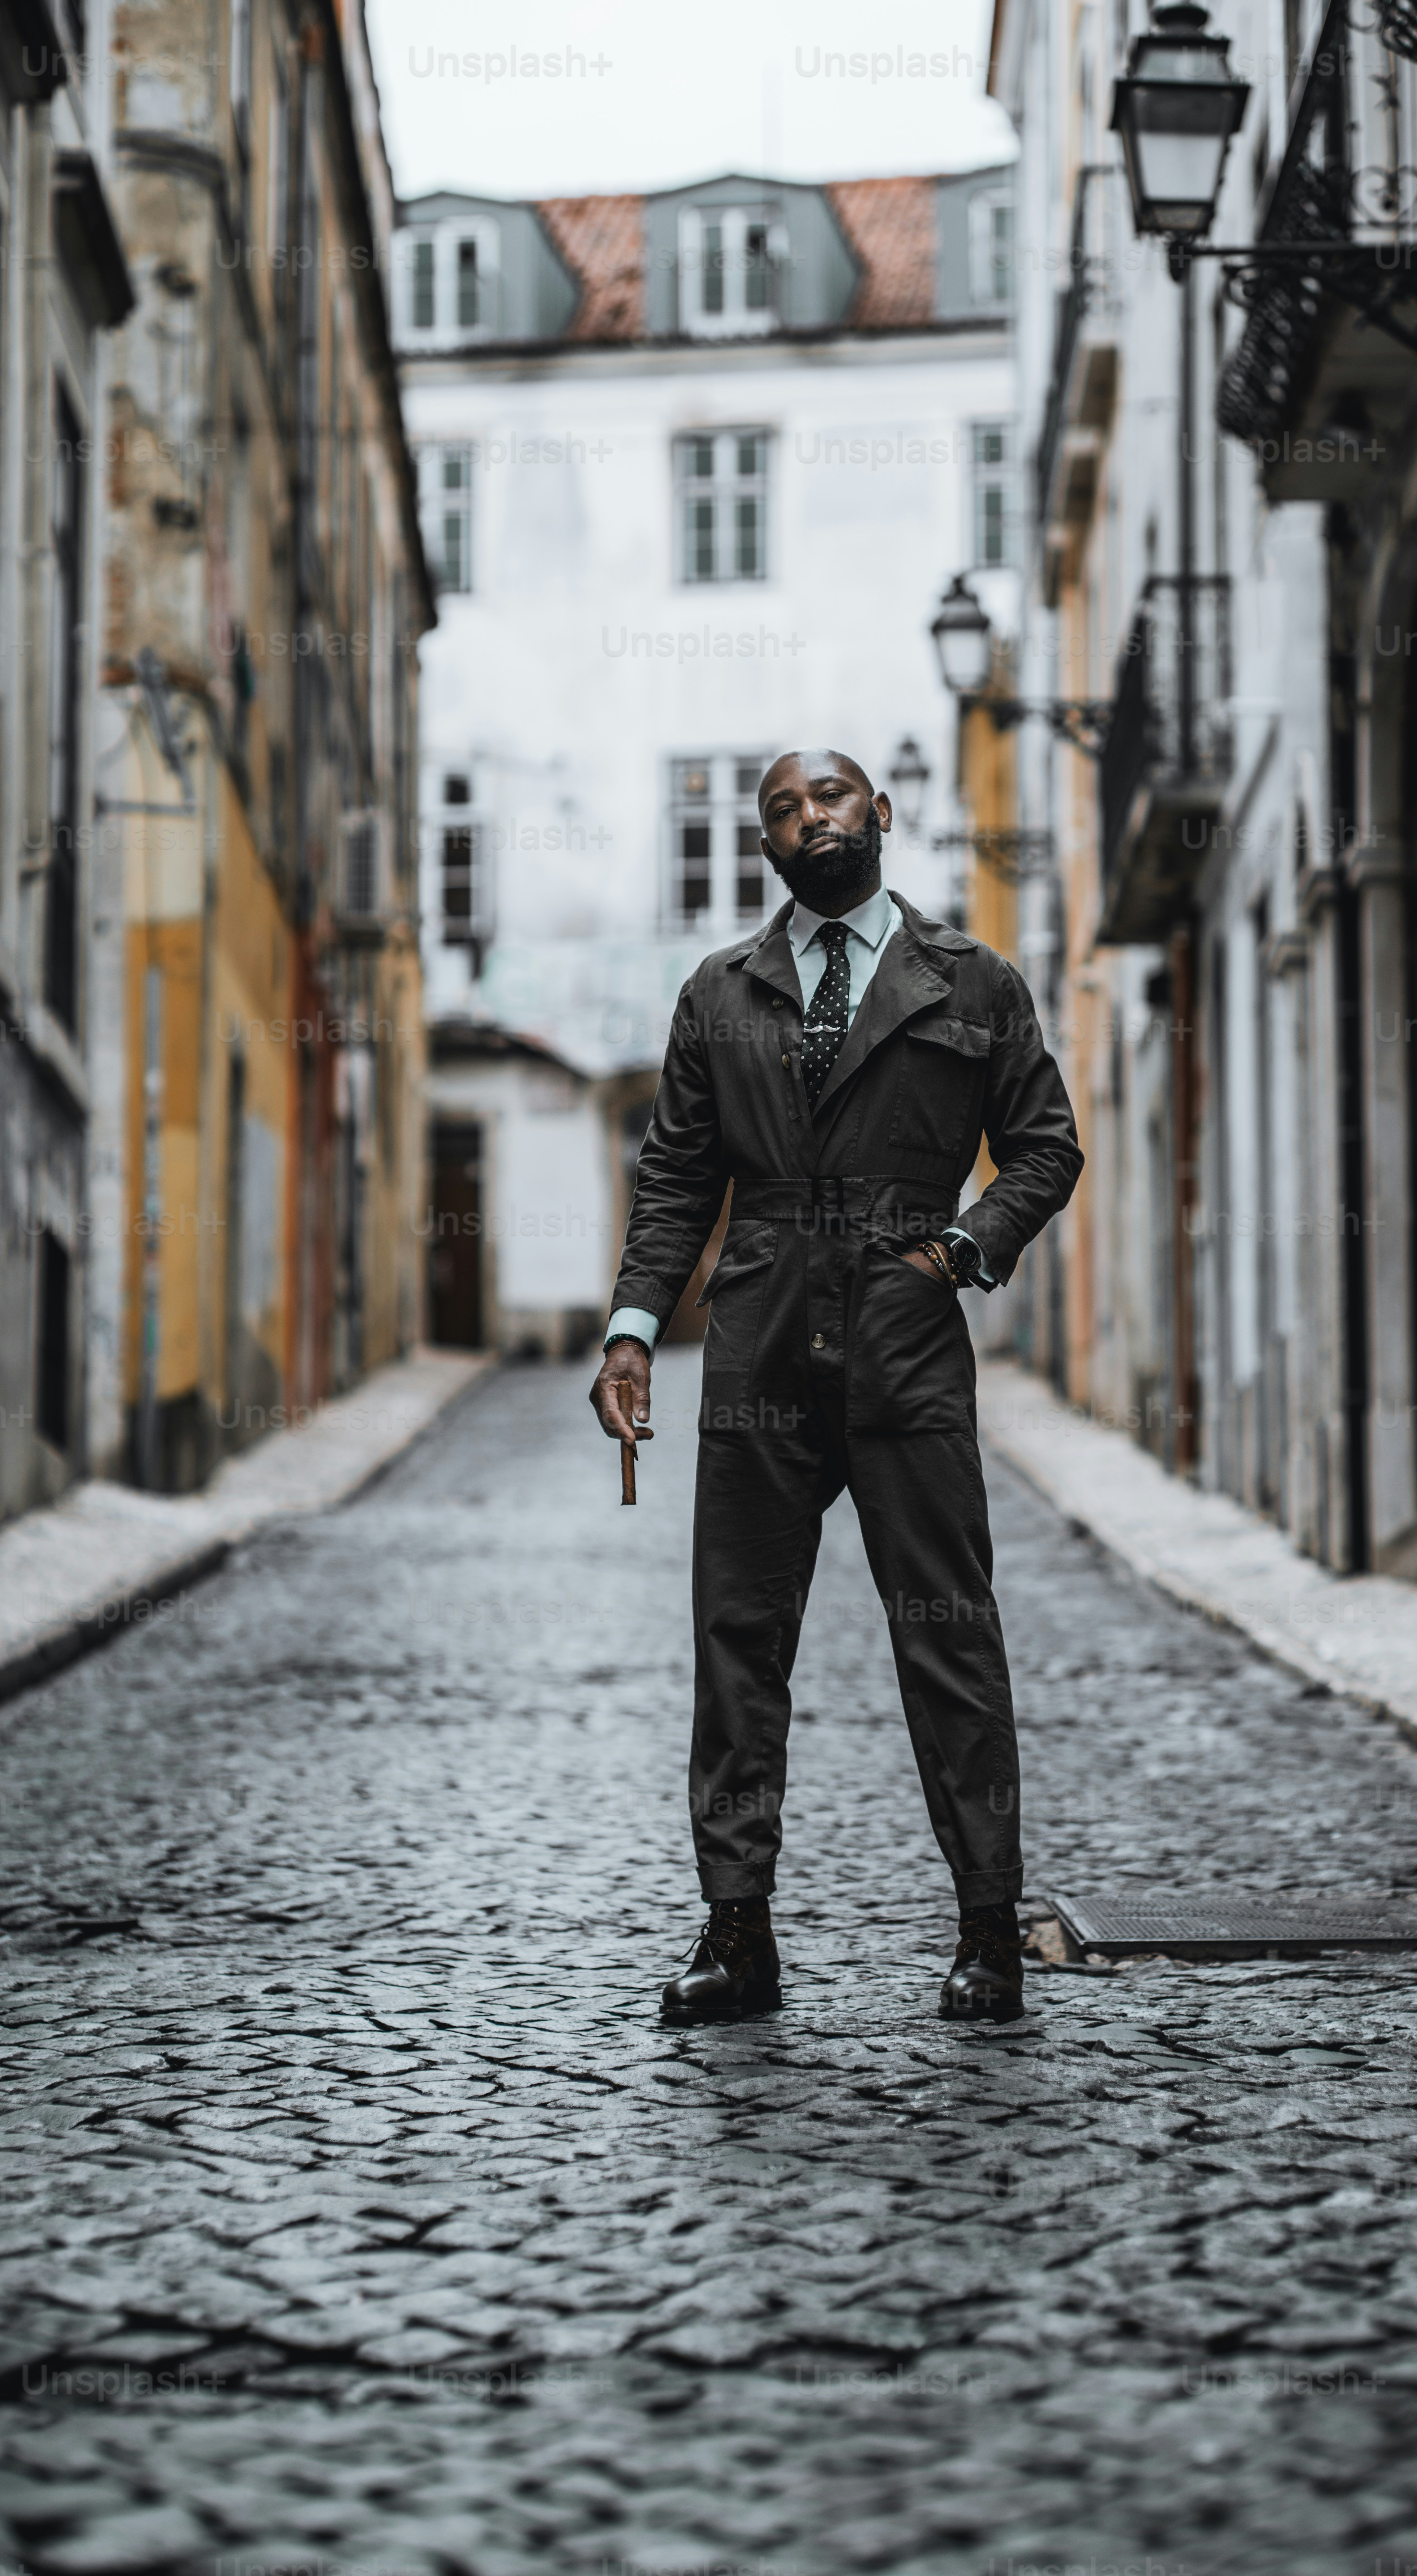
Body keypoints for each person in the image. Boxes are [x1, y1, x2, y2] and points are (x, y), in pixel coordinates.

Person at [589, 749, 1082, 2024]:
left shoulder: (973, 982)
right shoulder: (722, 992)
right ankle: (738, 1935)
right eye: (782, 809)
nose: (809, 819)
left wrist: (962, 1251)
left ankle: (990, 1933)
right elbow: (677, 1175)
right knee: (738, 1636)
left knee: (949, 1635)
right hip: (757, 1340)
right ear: (767, 841)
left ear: (881, 812)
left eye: (832, 797)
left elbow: (1044, 1146)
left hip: (907, 1339)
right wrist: (636, 1326)